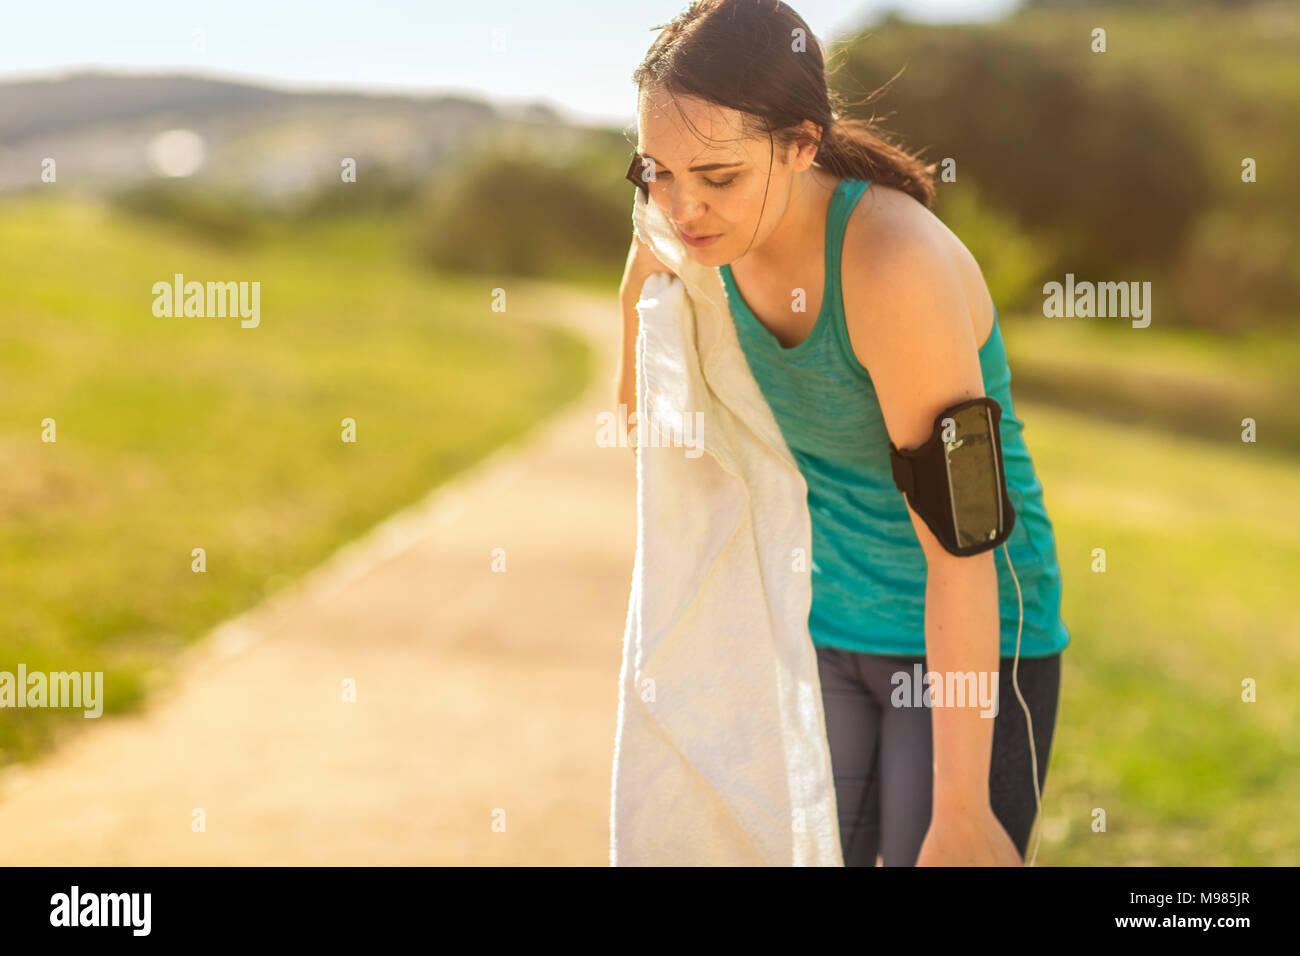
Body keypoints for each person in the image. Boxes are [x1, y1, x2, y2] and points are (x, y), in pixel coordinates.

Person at [617, 0, 1069, 866]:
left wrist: (964, 814)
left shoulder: (894, 266)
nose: (684, 206)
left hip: (968, 633)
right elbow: (646, 289)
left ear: (801, 144)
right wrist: (636, 323)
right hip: (825, 621)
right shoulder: (689, 223)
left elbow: (963, 547)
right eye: (656, 172)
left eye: (718, 177)